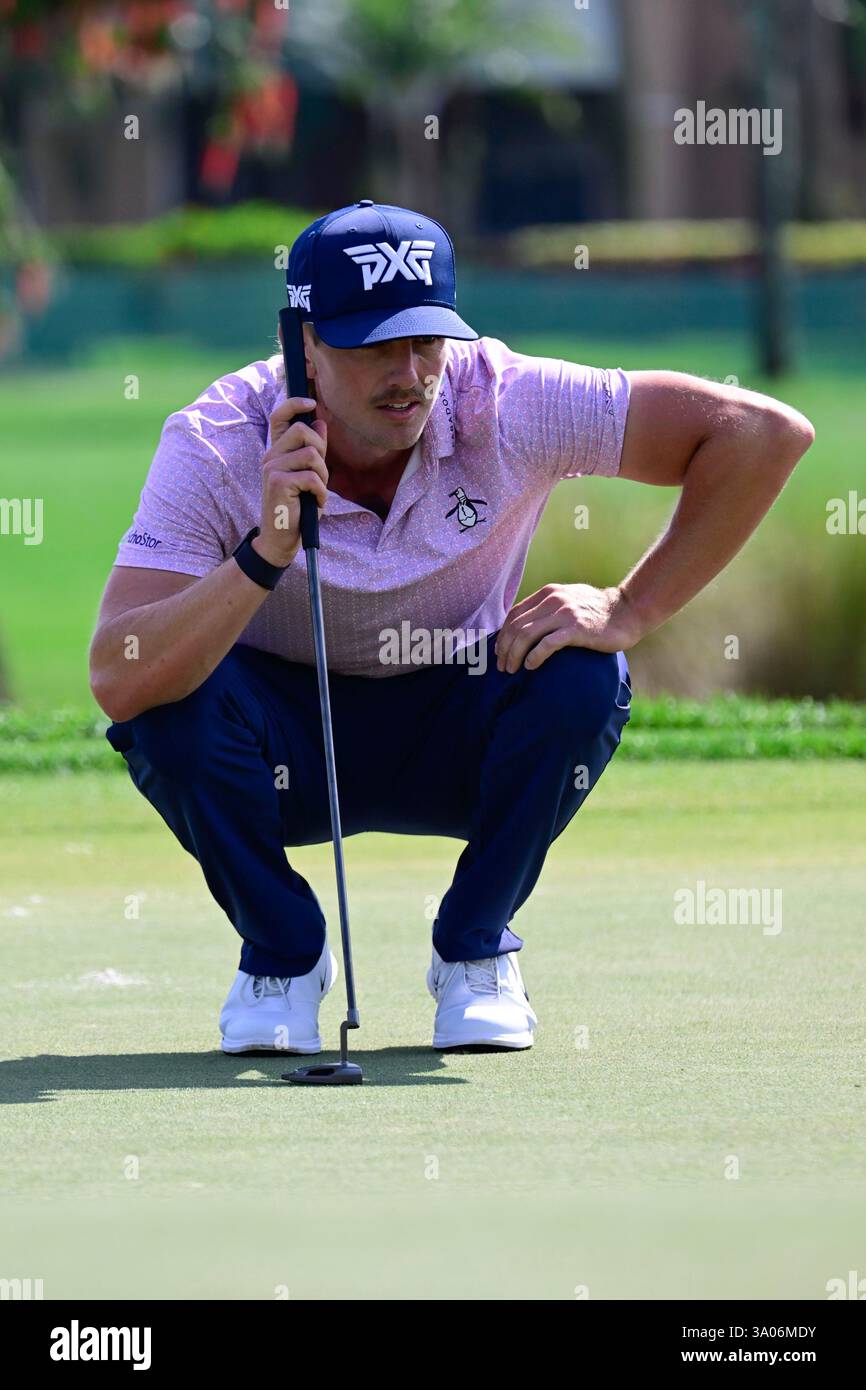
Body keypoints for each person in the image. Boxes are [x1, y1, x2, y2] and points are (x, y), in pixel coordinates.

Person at [89, 201, 815, 1056]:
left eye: (426, 341)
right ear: (304, 344)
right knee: (173, 703)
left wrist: (631, 607)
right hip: (283, 746)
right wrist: (266, 549)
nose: (408, 375)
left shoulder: (501, 398)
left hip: (456, 721)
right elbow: (121, 672)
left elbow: (760, 433)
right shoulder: (216, 441)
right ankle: (283, 956)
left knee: (582, 674)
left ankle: (475, 950)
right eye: (372, 345)